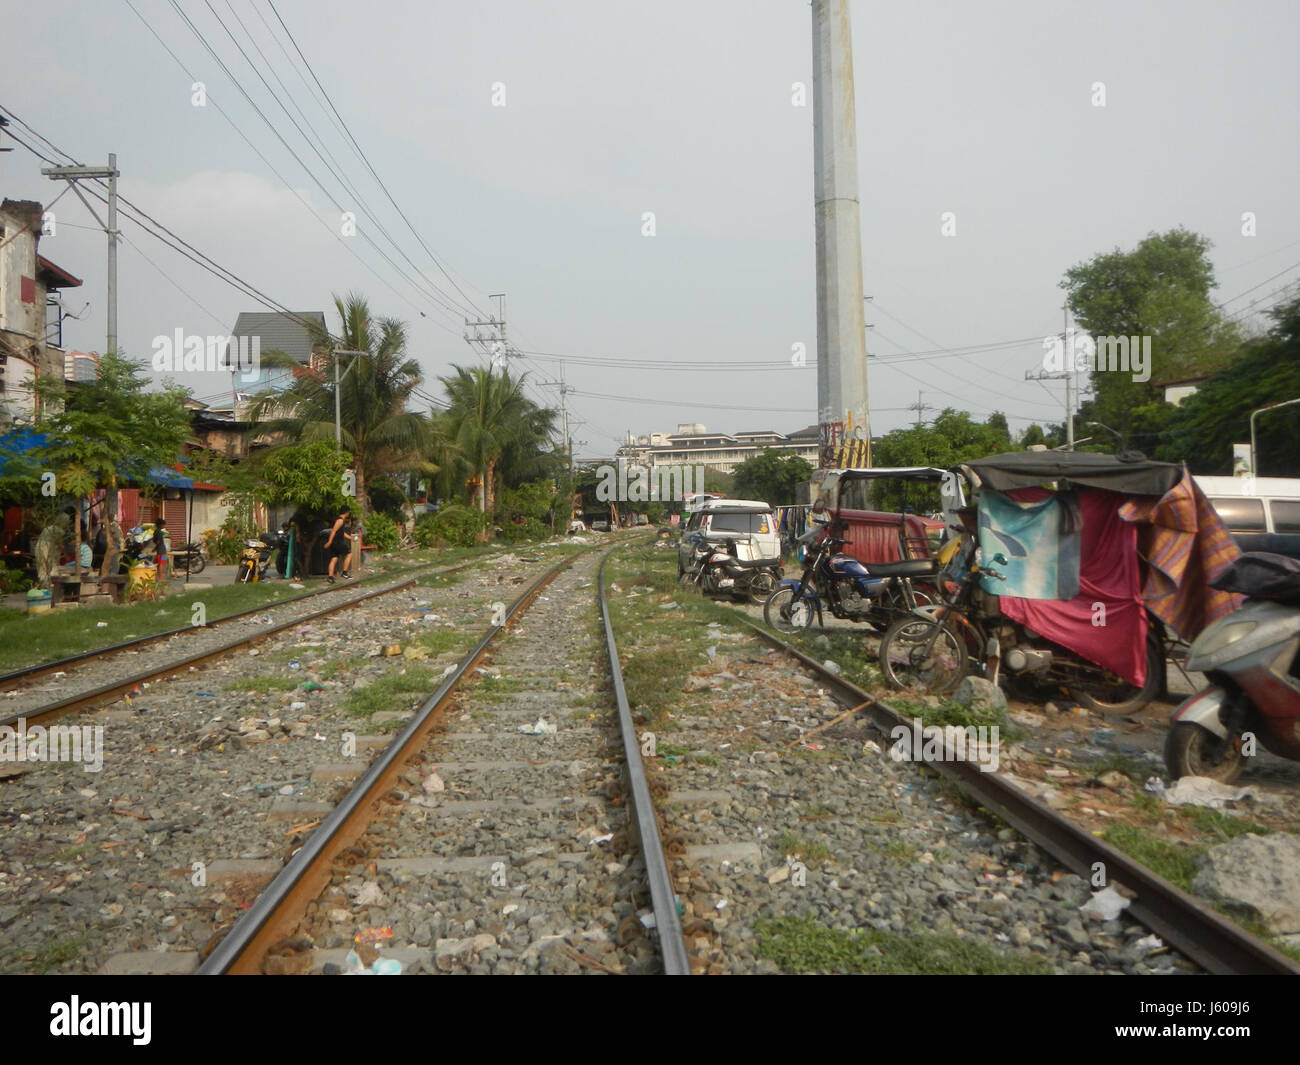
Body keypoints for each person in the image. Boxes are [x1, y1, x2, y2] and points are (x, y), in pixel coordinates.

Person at [324, 508, 352, 583]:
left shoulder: (340, 520)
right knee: (349, 554)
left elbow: (341, 532)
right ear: (346, 512)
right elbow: (333, 531)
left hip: (335, 542)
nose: (349, 514)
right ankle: (345, 573)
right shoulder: (340, 520)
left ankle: (330, 577)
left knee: (334, 558)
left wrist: (350, 537)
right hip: (338, 542)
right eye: (348, 512)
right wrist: (329, 542)